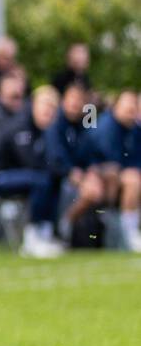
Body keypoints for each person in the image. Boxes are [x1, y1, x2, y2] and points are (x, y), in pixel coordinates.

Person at [0, 85, 65, 258]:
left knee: (52, 180)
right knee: (41, 180)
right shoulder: (20, 125)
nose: (49, 111)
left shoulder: (41, 129)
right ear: (33, 104)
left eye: (53, 108)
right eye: (45, 105)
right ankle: (32, 238)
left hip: (8, 175)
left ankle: (46, 233)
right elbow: (31, 162)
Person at [46, 82, 105, 244]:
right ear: (63, 100)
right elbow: (54, 159)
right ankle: (63, 227)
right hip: (59, 177)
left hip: (80, 175)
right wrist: (72, 172)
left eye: (79, 100)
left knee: (102, 183)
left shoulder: (84, 126)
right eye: (71, 98)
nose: (74, 103)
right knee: (91, 191)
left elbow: (91, 154)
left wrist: (92, 170)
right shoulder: (55, 125)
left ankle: (104, 235)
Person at [92, 89, 140, 252]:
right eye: (127, 104)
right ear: (116, 106)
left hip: (121, 173)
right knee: (132, 180)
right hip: (96, 174)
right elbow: (110, 161)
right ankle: (128, 234)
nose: (131, 109)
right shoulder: (107, 126)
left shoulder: (134, 129)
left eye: (133, 105)